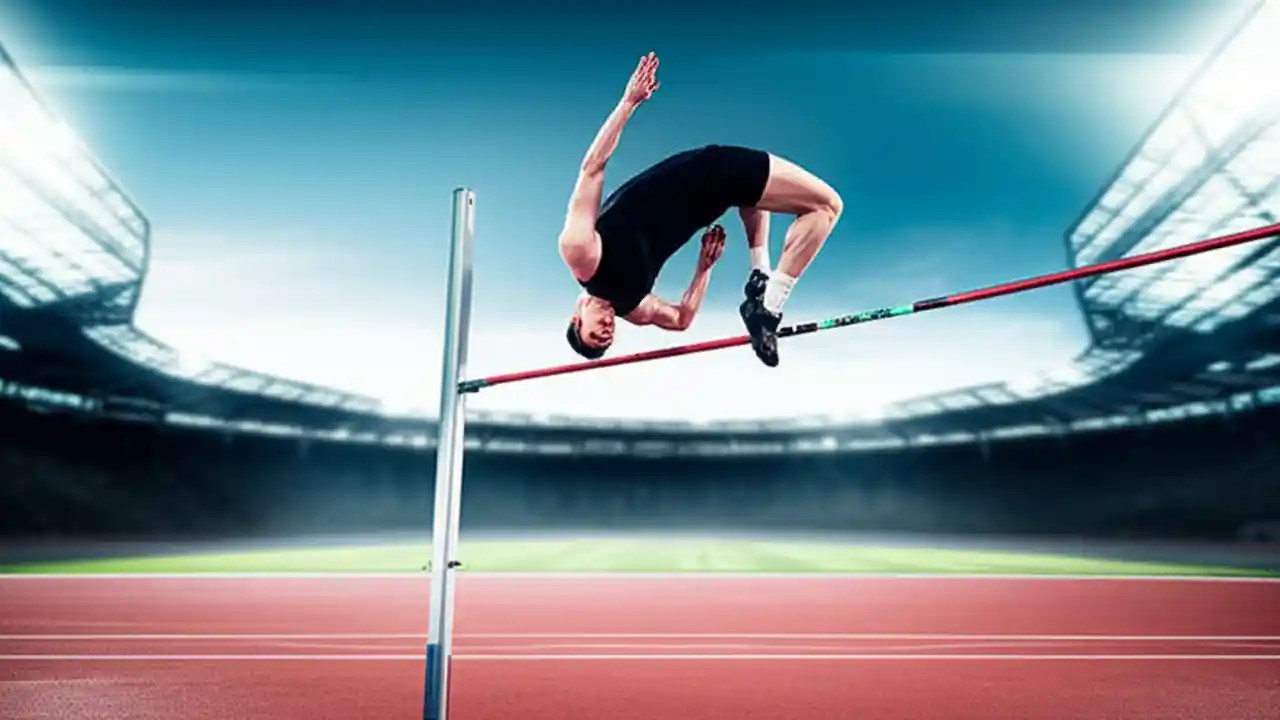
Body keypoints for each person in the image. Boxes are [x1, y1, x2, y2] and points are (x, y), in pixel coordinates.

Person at [558, 51, 842, 367]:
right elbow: (681, 319)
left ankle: (765, 298)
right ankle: (764, 292)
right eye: (607, 339)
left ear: (577, 316)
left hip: (707, 171)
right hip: (715, 198)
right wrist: (703, 269)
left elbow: (592, 169)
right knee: (807, 205)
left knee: (825, 206)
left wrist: (629, 102)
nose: (606, 331)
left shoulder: (581, 255)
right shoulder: (633, 308)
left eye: (595, 333)